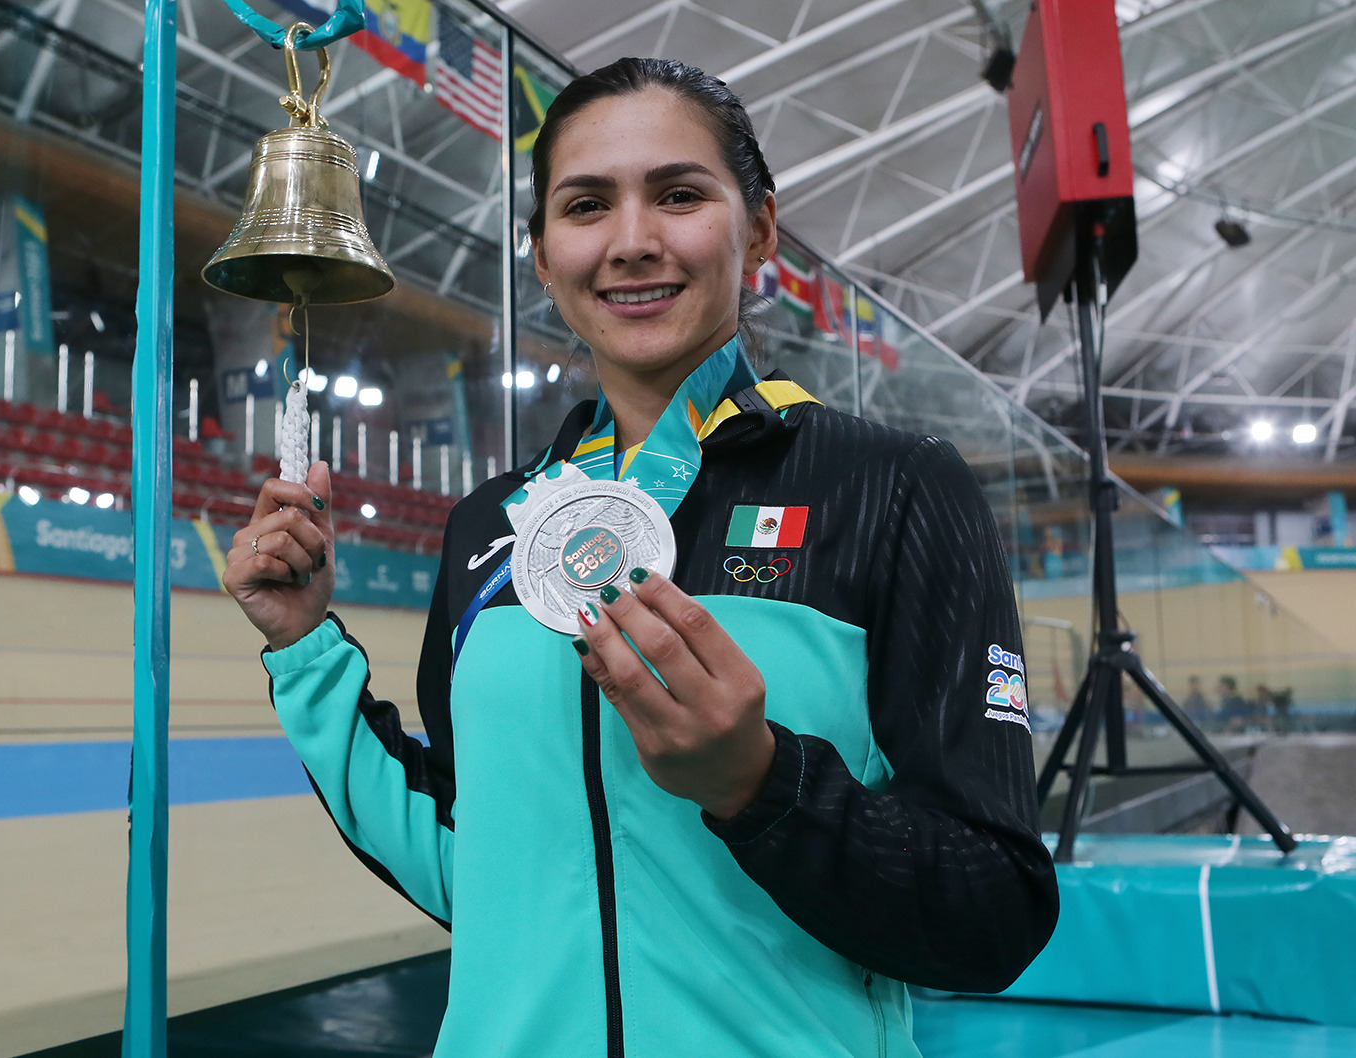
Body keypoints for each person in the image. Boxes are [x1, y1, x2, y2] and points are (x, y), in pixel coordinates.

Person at [223, 58, 1058, 1058]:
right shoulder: (493, 526)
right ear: (539, 253)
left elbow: (992, 909)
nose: (630, 241)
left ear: (756, 228)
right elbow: (470, 864)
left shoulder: (893, 486)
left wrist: (758, 781)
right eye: (585, 205)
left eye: (677, 194)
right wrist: (307, 648)